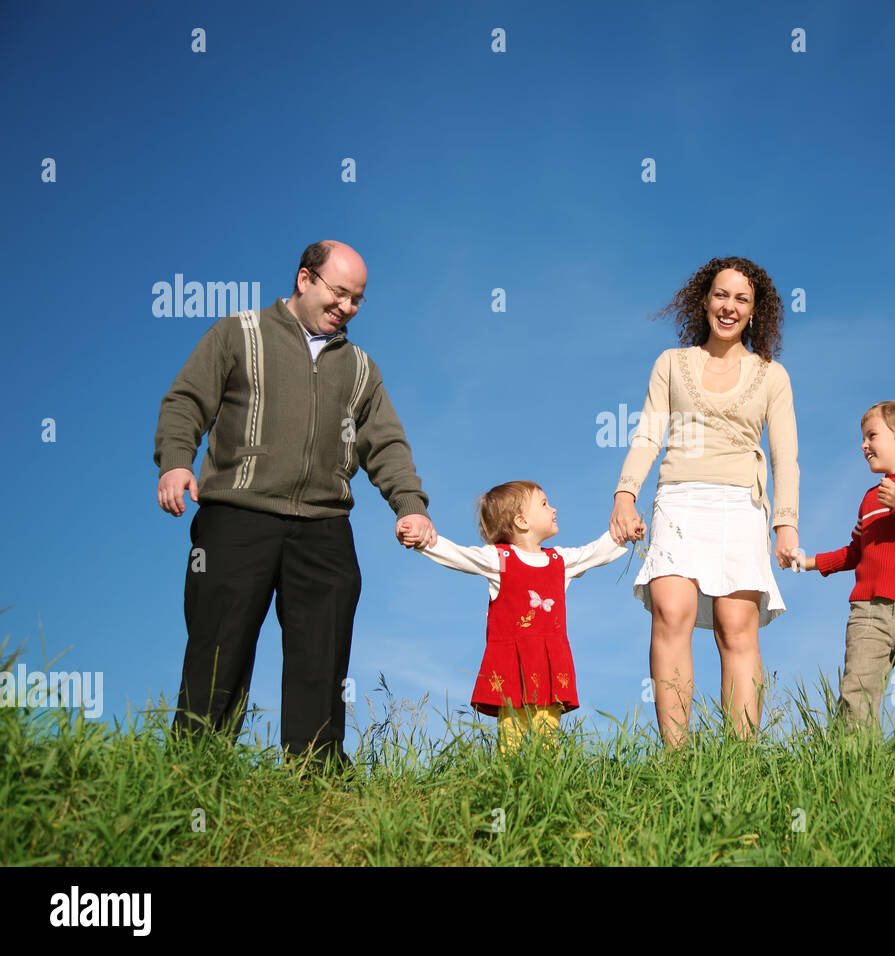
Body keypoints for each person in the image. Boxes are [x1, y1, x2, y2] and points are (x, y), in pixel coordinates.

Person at [154, 240, 436, 768]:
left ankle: (317, 776)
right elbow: (186, 401)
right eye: (339, 292)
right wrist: (175, 461)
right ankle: (193, 768)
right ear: (305, 279)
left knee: (321, 658)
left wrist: (410, 505)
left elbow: (387, 444)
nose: (347, 307)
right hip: (238, 515)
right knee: (220, 646)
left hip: (324, 527)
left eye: (357, 300)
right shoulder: (237, 334)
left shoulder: (360, 368)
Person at [609, 256, 800, 747]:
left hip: (741, 504)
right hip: (679, 497)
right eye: (721, 295)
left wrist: (786, 523)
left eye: (741, 299)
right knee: (671, 612)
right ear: (704, 300)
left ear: (755, 312)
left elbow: (785, 455)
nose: (729, 307)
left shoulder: (772, 376)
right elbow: (649, 433)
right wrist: (625, 494)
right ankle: (675, 757)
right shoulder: (672, 364)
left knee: (736, 628)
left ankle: (742, 757)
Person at [400, 481, 625, 752]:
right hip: (510, 663)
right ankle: (511, 781)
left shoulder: (559, 562)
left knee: (547, 735)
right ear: (521, 521)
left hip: (550, 662)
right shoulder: (500, 559)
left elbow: (594, 553)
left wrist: (623, 535)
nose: (553, 509)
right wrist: (423, 540)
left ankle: (545, 783)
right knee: (511, 736)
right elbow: (458, 555)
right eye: (544, 504)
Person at [794, 400, 895, 756]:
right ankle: (853, 767)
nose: (863, 445)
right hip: (868, 612)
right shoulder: (870, 498)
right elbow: (857, 551)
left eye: (871, 436)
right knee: (858, 689)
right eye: (863, 438)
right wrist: (809, 562)